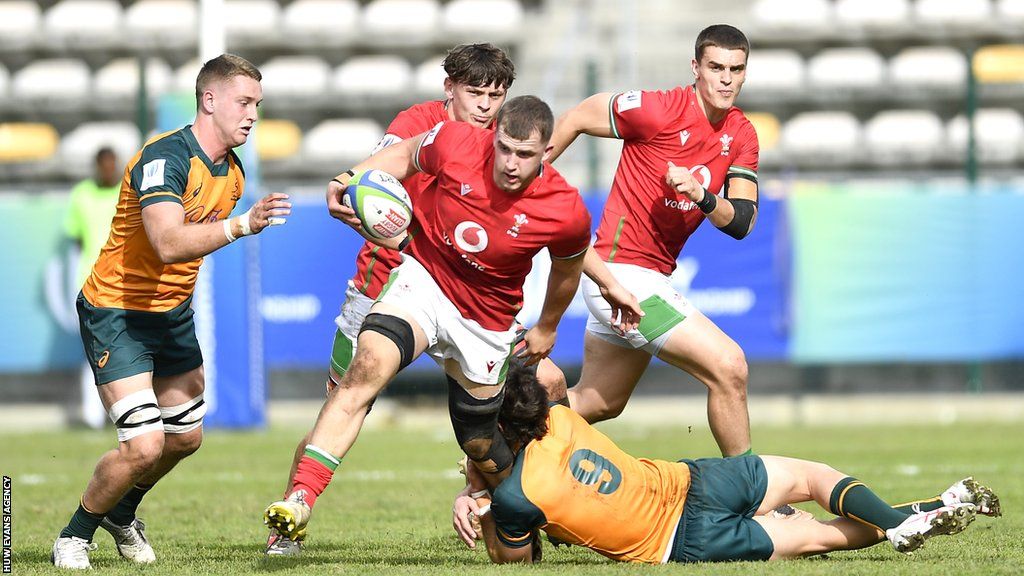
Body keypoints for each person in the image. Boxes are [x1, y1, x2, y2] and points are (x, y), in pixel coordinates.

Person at [263, 95, 638, 549]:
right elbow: (403, 153)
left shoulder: (563, 210)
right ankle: (300, 500)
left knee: (479, 441)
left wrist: (547, 326)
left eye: (524, 155)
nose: (510, 163)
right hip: (425, 279)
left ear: (546, 153)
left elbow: (567, 270)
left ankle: (529, 511)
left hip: (486, 321)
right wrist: (349, 177)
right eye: (504, 149)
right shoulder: (456, 141)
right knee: (368, 364)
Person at [50, 53, 291, 570]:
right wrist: (242, 226)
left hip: (171, 314)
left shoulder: (234, 173)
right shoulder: (166, 157)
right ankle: (74, 535)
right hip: (118, 309)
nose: (252, 114)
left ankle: (123, 514)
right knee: (142, 446)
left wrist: (237, 224)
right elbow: (165, 242)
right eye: (243, 102)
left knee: (185, 438)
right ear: (209, 100)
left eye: (258, 105)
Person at [451, 366, 1002, 564]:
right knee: (811, 476)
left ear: (497, 432)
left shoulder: (517, 498)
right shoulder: (563, 421)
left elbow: (515, 561)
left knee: (818, 539)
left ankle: (907, 521)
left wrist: (483, 510)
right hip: (692, 479)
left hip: (680, 543)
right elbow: (545, 384)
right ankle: (919, 512)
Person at [547, 24, 762, 457]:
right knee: (729, 366)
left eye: (735, 69)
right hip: (617, 276)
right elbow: (577, 116)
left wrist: (701, 195)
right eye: (715, 67)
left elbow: (741, 222)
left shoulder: (741, 135)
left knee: (597, 401)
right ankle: (751, 500)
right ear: (695, 68)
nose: (725, 79)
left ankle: (490, 454)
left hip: (650, 278)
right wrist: (528, 181)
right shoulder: (657, 109)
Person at [63, 146, 122, 429]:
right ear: (97, 167)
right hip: (91, 284)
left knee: (127, 350)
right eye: (104, 165)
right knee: (96, 352)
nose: (109, 170)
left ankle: (124, 412)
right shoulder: (81, 195)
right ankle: (92, 416)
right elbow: (75, 240)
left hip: (124, 283)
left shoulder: (127, 191)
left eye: (113, 165)